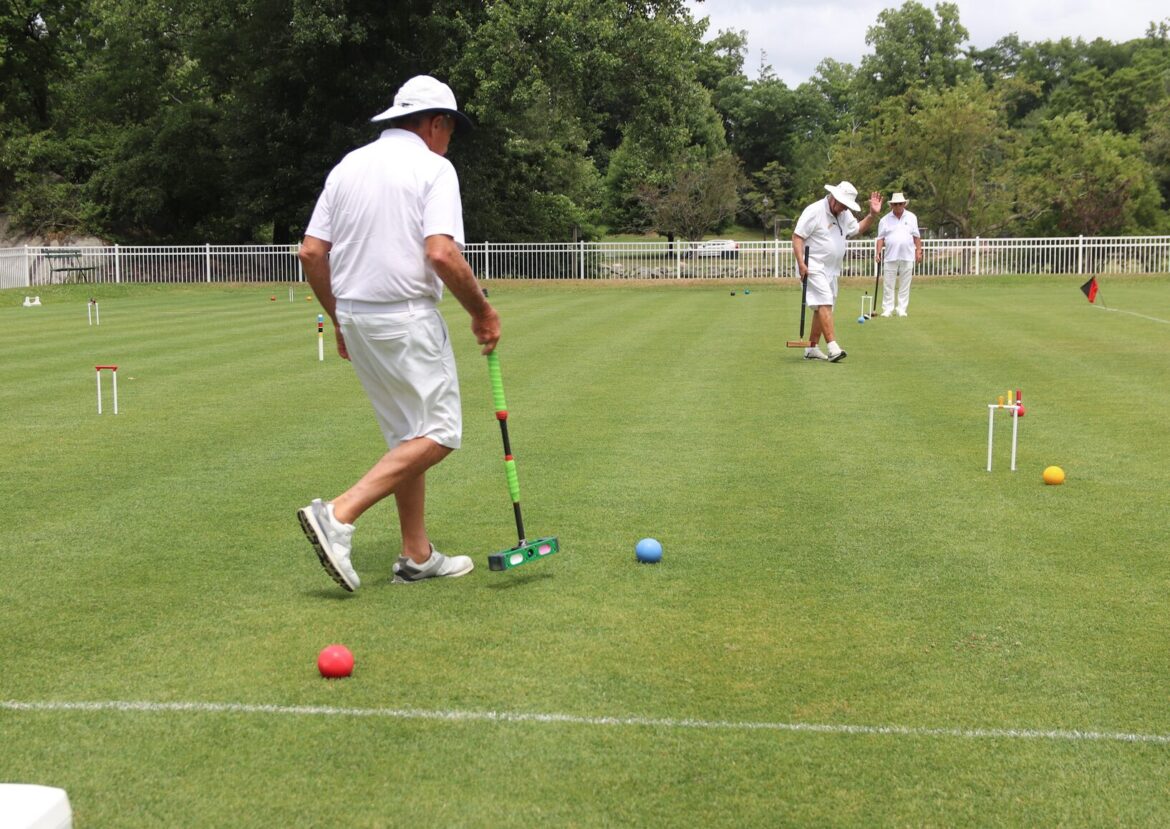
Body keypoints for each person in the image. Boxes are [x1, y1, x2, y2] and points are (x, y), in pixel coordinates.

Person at [296, 75, 501, 592]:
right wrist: (482, 311)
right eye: (450, 130)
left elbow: (312, 252)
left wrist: (339, 317)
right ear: (437, 123)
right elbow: (441, 252)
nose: (449, 140)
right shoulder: (434, 167)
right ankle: (338, 514)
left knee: (407, 435)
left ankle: (417, 554)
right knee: (439, 433)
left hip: (359, 318)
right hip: (405, 317)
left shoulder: (349, 165)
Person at [792, 182, 882, 362]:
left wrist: (872, 215)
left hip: (832, 269)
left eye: (846, 205)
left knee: (823, 306)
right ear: (833, 197)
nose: (843, 209)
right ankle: (833, 347)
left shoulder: (844, 214)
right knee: (825, 300)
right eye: (842, 204)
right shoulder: (814, 211)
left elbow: (857, 229)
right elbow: (797, 236)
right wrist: (801, 263)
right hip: (812, 265)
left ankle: (812, 348)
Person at [874, 192, 923, 317]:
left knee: (905, 284)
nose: (898, 206)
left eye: (900, 204)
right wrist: (878, 252)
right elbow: (880, 238)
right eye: (896, 204)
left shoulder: (912, 217)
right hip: (891, 255)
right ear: (892, 205)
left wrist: (918, 251)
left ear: (904, 204)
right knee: (888, 284)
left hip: (907, 255)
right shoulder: (884, 220)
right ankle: (887, 309)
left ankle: (901, 309)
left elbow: (916, 236)